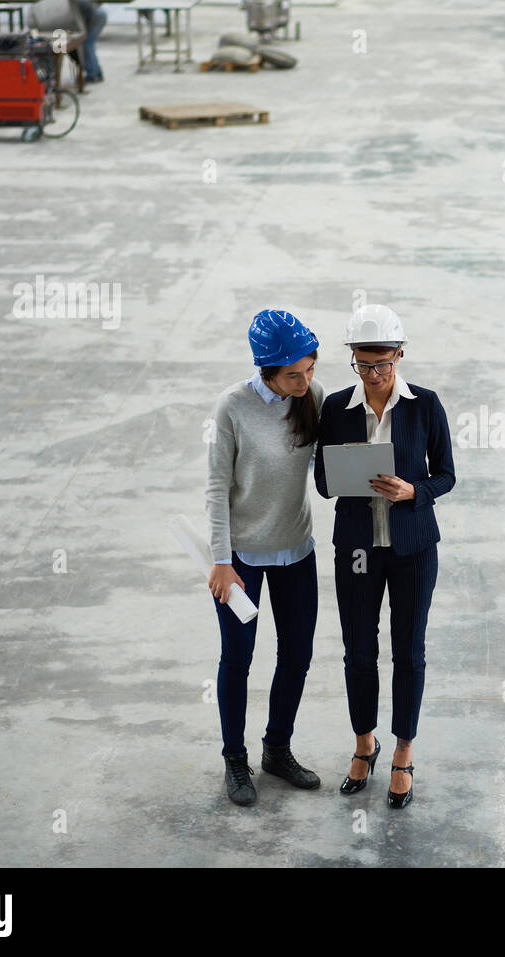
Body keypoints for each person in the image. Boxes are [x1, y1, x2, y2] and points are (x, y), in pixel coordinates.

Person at [314, 304, 455, 810]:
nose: (374, 376)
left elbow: (446, 475)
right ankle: (363, 744)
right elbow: (323, 481)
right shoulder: (335, 408)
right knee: (358, 649)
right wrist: (351, 477)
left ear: (399, 355)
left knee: (409, 650)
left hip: (413, 547)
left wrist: (410, 491)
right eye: (363, 365)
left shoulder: (425, 406)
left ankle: (403, 753)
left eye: (383, 365)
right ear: (352, 358)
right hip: (356, 548)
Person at [206, 309, 324, 806]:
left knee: (296, 655)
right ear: (266, 371)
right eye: (293, 374)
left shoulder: (313, 397)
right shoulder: (231, 407)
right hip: (241, 558)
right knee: (238, 658)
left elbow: (328, 468)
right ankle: (235, 759)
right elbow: (215, 486)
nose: (306, 380)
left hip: (297, 550)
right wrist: (220, 561)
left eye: (311, 368)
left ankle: (277, 748)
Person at [75, 0, 105, 83]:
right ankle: (97, 72)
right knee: (88, 44)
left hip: (96, 16)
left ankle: (92, 75)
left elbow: (82, 18)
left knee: (87, 44)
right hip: (99, 13)